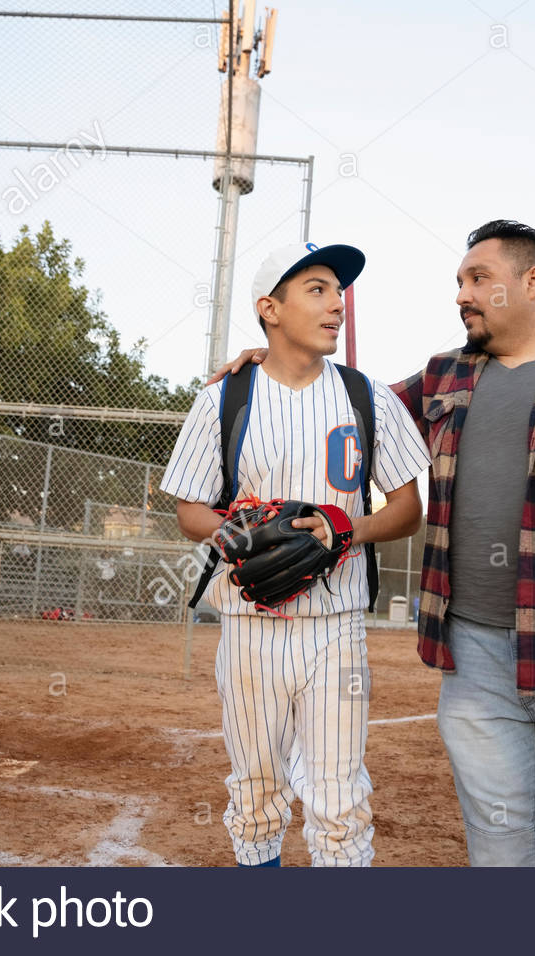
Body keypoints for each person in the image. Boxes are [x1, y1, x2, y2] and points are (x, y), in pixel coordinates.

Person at [213, 221, 535, 867]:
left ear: (532, 282)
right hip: (474, 658)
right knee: (498, 842)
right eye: (459, 281)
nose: (462, 293)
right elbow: (338, 405)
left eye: (478, 279)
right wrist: (263, 367)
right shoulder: (443, 378)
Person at [161, 242, 429, 866]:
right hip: (249, 625)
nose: (337, 303)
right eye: (317, 288)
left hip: (336, 629)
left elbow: (407, 508)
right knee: (256, 791)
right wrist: (238, 531)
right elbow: (188, 509)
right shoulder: (223, 399)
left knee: (339, 799)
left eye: (339, 291)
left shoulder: (369, 397)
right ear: (269, 309)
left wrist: (347, 530)